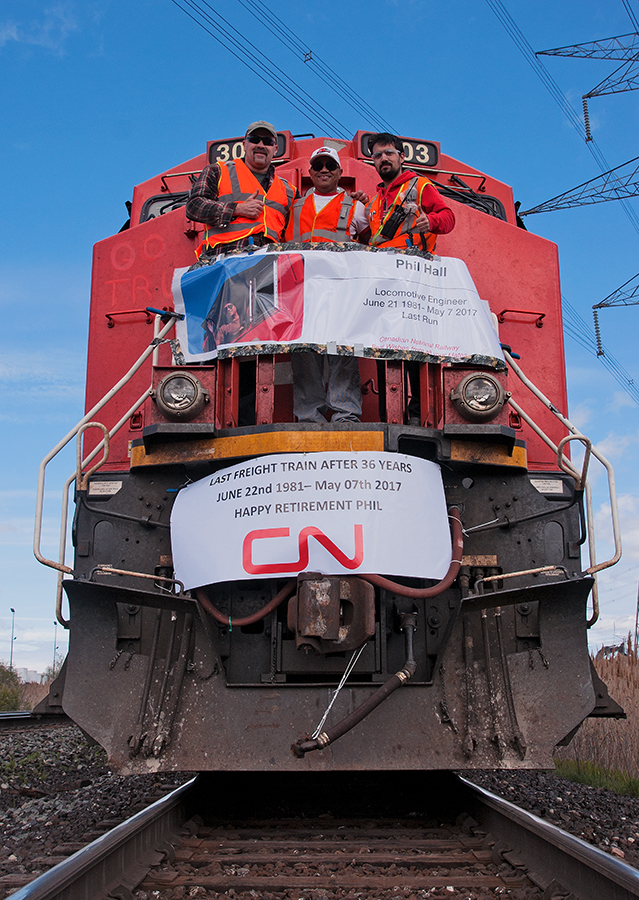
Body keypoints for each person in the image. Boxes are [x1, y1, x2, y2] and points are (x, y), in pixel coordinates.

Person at [286, 147, 364, 424]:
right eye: (318, 165)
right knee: (304, 352)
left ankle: (346, 414)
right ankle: (309, 417)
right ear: (310, 172)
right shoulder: (294, 207)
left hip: (341, 290)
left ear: (340, 172)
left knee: (343, 350)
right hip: (301, 292)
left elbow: (371, 245)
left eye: (330, 165)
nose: (324, 170)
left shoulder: (357, 207)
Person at [186, 121, 297, 260]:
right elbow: (194, 206)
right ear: (244, 145)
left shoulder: (289, 191)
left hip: (268, 267)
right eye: (255, 140)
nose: (261, 145)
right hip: (224, 262)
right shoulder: (218, 171)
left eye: (267, 142)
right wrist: (236, 209)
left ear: (275, 149)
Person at [352, 132, 455, 250]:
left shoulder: (419, 185)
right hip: (380, 264)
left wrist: (430, 221)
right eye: (378, 155)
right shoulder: (372, 203)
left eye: (389, 153)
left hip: (411, 264)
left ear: (402, 157)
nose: (383, 158)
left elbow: (449, 218)